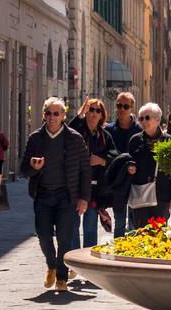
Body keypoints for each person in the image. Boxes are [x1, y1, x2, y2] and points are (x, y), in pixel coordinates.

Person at [22, 97, 91, 292]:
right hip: (43, 195)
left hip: (66, 196)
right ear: (44, 115)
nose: (51, 117)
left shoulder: (75, 138)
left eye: (56, 113)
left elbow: (85, 171)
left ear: (63, 115)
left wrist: (84, 198)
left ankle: (62, 277)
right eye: (48, 113)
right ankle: (51, 265)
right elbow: (24, 170)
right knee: (43, 236)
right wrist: (33, 168)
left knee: (64, 238)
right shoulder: (35, 138)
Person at [70, 99, 114, 254]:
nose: (94, 113)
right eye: (91, 109)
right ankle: (74, 261)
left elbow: (114, 155)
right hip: (75, 186)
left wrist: (101, 160)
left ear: (102, 115)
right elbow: (68, 130)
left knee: (90, 227)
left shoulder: (105, 135)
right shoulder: (77, 132)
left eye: (97, 110)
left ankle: (88, 261)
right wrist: (78, 116)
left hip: (94, 189)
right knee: (73, 225)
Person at [126, 103, 171, 228]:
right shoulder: (134, 141)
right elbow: (128, 161)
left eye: (147, 118)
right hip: (140, 197)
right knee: (140, 236)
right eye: (141, 118)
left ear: (157, 119)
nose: (143, 121)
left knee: (159, 236)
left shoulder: (169, 141)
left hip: (162, 198)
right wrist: (130, 167)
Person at [105, 91, 139, 236]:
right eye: (119, 105)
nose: (121, 109)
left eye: (125, 106)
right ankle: (118, 253)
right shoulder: (108, 130)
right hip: (117, 183)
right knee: (119, 222)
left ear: (132, 108)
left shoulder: (139, 131)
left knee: (134, 224)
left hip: (135, 182)